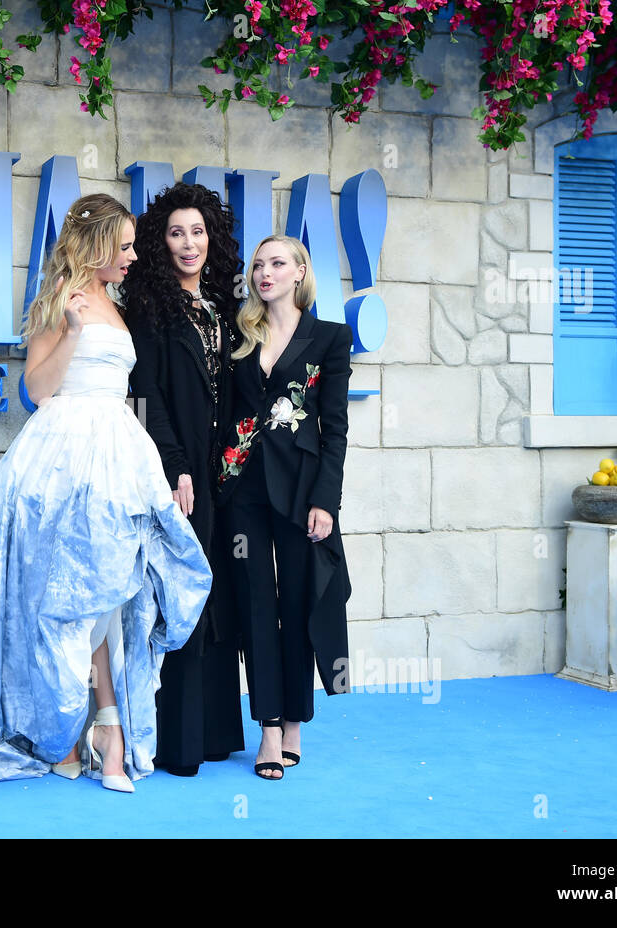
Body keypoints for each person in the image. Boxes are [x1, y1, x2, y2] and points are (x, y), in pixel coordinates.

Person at [0, 193, 212, 790]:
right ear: (97, 246)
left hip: (118, 454)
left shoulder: (118, 302)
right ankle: (87, 735)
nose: (135, 255)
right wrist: (72, 332)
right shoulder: (61, 302)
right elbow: (36, 389)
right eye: (125, 245)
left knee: (112, 590)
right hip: (61, 458)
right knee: (73, 598)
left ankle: (93, 733)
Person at [215, 234, 352, 781]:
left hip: (301, 492)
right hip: (242, 487)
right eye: (258, 265)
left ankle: (296, 718)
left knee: (297, 603)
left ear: (300, 272)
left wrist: (326, 501)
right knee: (255, 603)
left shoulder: (330, 339)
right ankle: (268, 726)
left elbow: (336, 428)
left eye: (277, 263)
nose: (264, 272)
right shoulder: (239, 334)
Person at [122, 183, 245, 777]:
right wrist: (175, 466)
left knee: (222, 595)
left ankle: (219, 733)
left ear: (211, 238)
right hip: (185, 472)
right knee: (184, 598)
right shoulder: (149, 308)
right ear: (159, 242)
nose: (188, 243)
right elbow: (145, 397)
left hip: (228, 472)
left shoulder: (224, 305)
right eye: (176, 232)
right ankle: (179, 743)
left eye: (197, 231)